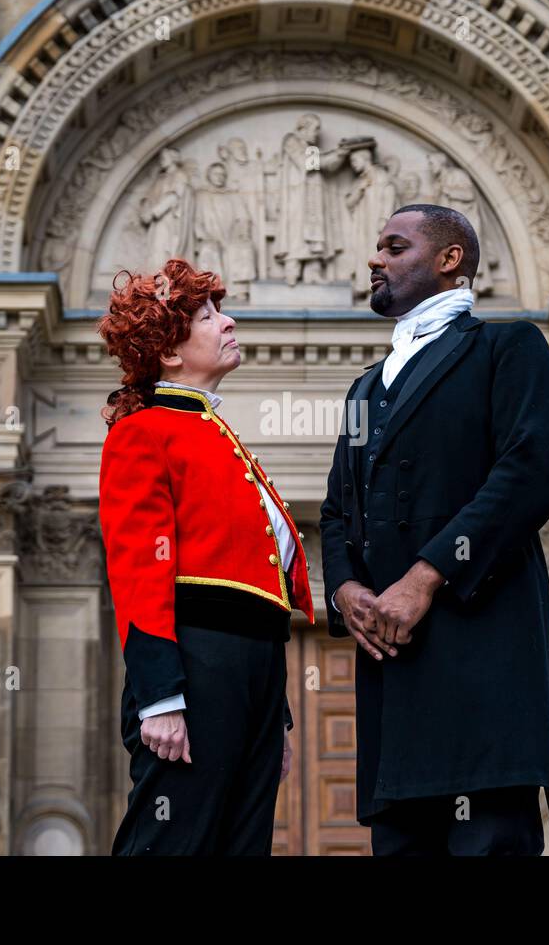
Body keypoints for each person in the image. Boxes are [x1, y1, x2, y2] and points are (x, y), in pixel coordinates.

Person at [319, 203, 549, 855]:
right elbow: (335, 512)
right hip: (394, 678)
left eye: (393, 246)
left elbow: (527, 475)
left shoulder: (507, 348)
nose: (374, 259)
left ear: (448, 259)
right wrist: (346, 587)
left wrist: (425, 577)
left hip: (484, 666)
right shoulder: (363, 391)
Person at [98, 257, 316, 855]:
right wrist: (160, 698)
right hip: (194, 668)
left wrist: (279, 718)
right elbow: (140, 567)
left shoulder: (215, 432)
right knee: (174, 844)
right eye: (207, 316)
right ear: (169, 352)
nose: (227, 322)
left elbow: (258, 591)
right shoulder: (143, 433)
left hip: (255, 668)